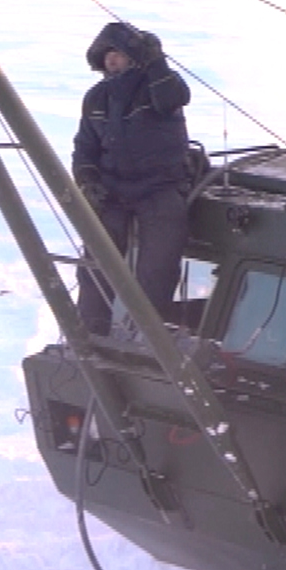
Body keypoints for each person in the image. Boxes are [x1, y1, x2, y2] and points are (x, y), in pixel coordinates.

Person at [71, 20, 194, 337]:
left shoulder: (156, 87)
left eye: (120, 53)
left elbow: (175, 96)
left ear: (134, 57)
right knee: (98, 262)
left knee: (157, 267)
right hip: (113, 190)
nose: (112, 59)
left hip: (159, 187)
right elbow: (85, 147)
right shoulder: (96, 98)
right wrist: (87, 179)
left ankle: (149, 336)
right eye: (107, 53)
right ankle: (91, 333)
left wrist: (156, 61)